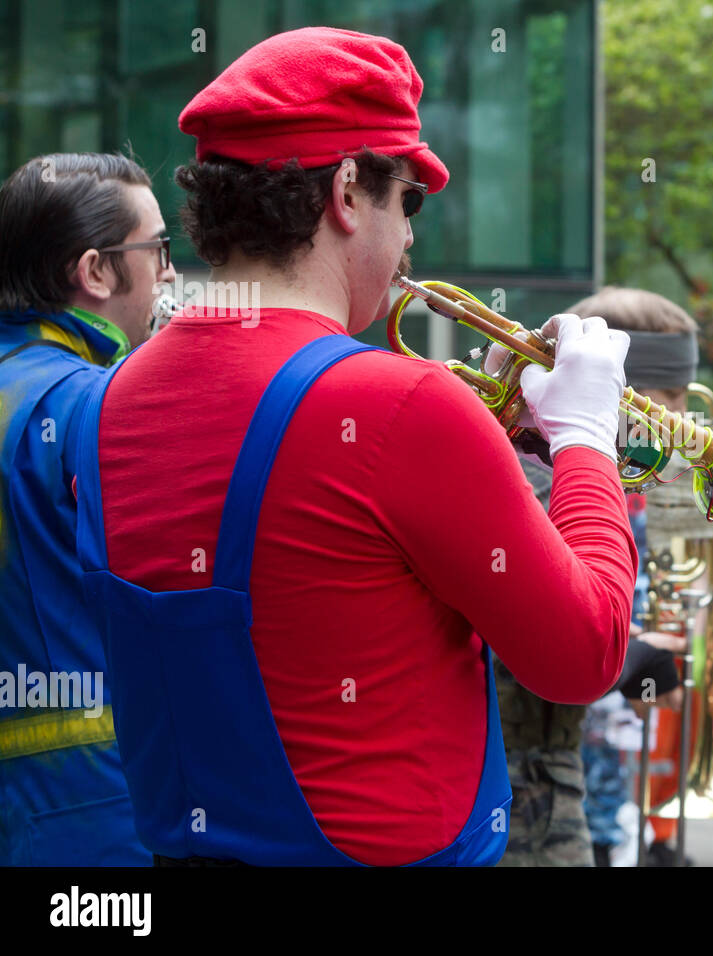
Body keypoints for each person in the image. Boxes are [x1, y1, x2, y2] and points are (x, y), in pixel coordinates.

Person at [71, 27, 637, 866]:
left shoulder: (104, 398)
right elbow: (583, 653)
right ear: (345, 190)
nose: (409, 238)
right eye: (406, 201)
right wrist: (588, 438)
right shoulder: (402, 401)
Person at [0, 152, 173, 865]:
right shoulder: (100, 405)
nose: (169, 272)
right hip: (90, 807)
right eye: (157, 250)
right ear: (96, 271)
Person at [495, 286, 697, 867]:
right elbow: (532, 644)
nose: (685, 418)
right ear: (620, 391)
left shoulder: (605, 480)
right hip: (522, 790)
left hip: (563, 771)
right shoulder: (538, 477)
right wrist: (638, 657)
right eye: (674, 395)